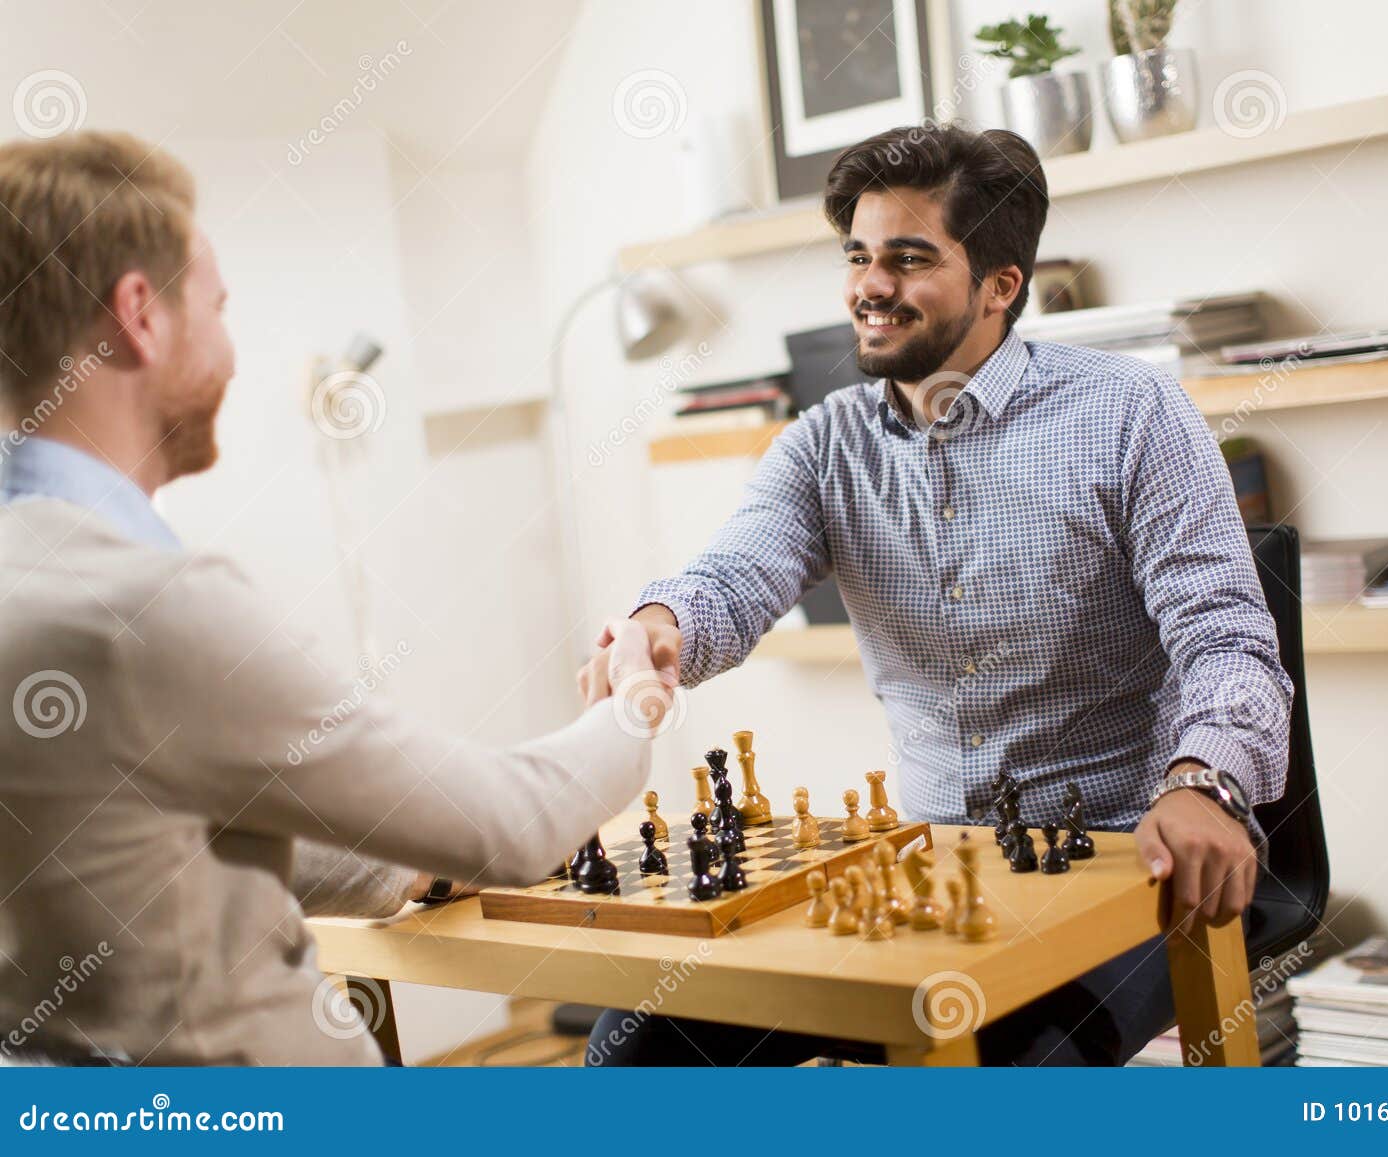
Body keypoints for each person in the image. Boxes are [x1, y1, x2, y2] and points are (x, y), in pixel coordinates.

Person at [579, 124, 1292, 1066]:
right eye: (860, 256)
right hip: (938, 873)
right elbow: (732, 579)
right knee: (633, 1049)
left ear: (1000, 284)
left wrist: (1201, 782)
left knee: (996, 1064)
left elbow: (1226, 639)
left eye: (910, 259)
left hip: (1127, 867)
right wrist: (657, 630)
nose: (871, 286)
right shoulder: (822, 443)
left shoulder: (1131, 412)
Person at [0, 130, 666, 1065]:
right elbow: (511, 826)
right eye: (219, 308)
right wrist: (633, 699)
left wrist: (405, 861)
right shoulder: (148, 607)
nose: (232, 348)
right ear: (140, 317)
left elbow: (135, 848)